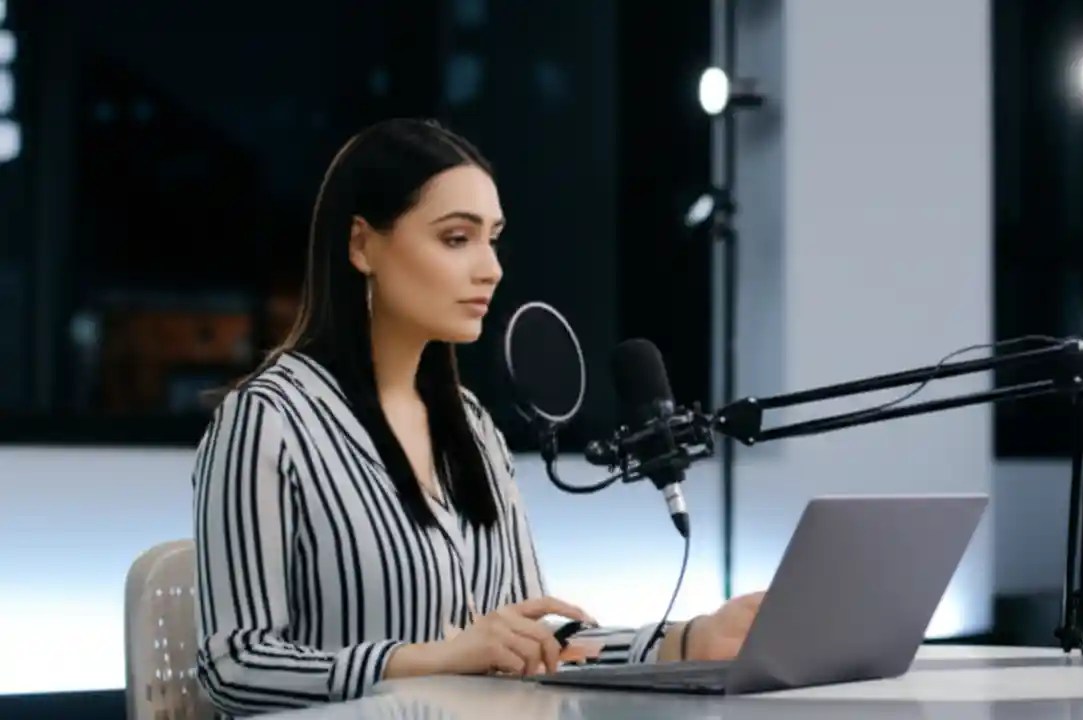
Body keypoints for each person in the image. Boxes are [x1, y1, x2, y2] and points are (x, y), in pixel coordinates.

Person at [192, 118, 763, 717]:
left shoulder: (471, 425)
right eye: (457, 238)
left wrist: (687, 640)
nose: (490, 267)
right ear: (362, 245)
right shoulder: (265, 421)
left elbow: (530, 647)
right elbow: (235, 667)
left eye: (492, 238)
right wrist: (427, 659)